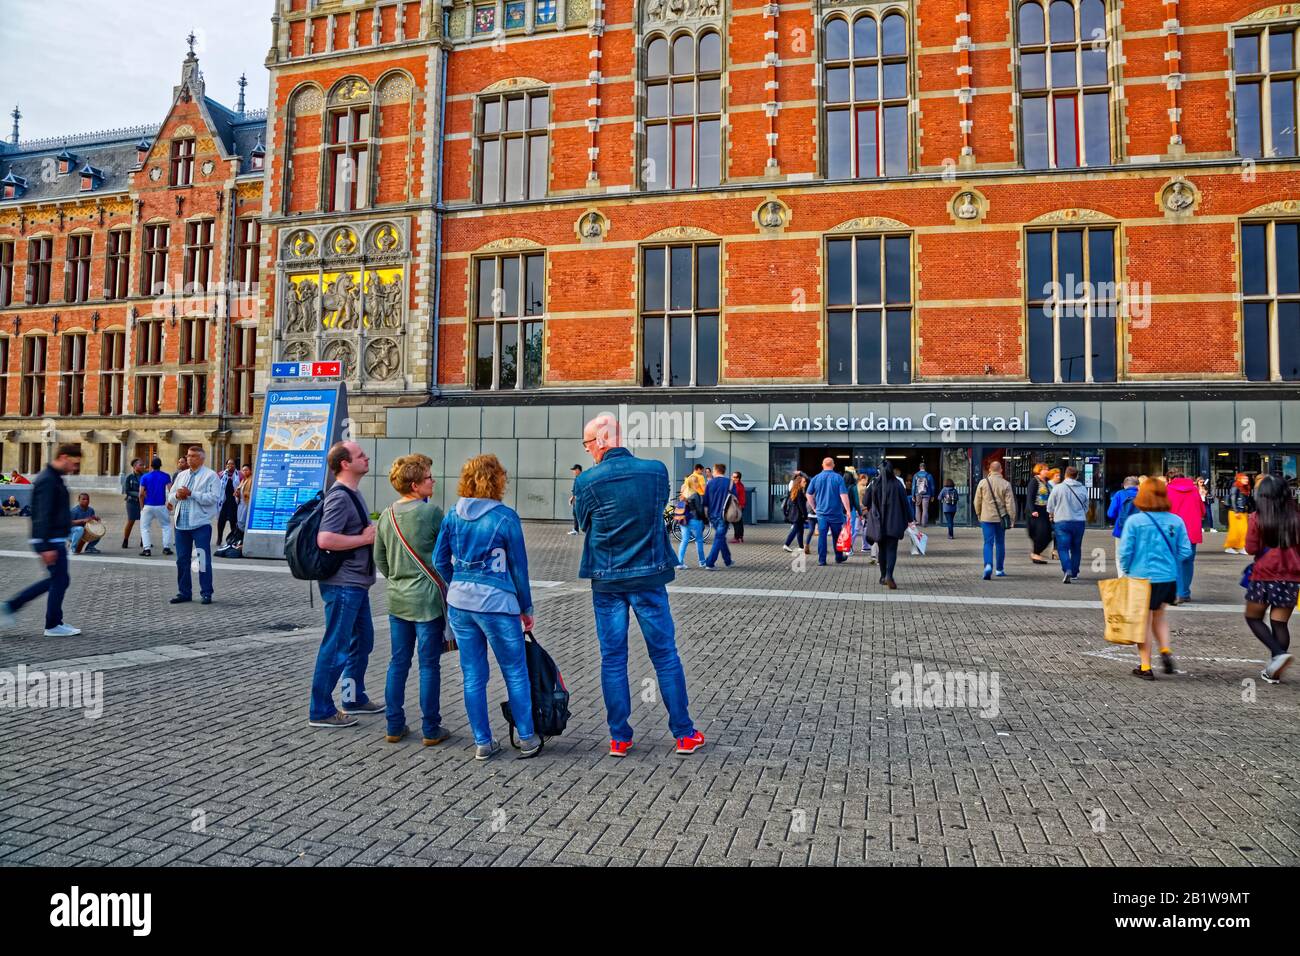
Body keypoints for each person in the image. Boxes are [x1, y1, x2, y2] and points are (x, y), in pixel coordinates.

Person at [575, 413, 703, 757]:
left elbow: (582, 522)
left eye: (588, 443)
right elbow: (657, 511)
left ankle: (620, 737)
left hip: (607, 580)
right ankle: (684, 733)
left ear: (602, 439)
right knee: (665, 654)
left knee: (613, 658)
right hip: (648, 576)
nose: (588, 450)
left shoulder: (587, 481)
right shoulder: (656, 471)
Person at [434, 454, 540, 759]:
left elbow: (439, 560)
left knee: (473, 674)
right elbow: (519, 568)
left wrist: (457, 582)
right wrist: (526, 607)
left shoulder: (453, 514)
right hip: (497, 604)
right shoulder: (505, 517)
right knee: (515, 672)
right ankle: (527, 738)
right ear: (497, 480)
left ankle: (483, 741)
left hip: (460, 605)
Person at [374, 454, 452, 746]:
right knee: (429, 665)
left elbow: (379, 559)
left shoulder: (386, 515)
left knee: (398, 662)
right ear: (416, 484)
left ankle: (394, 725)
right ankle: (431, 729)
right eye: (429, 477)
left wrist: (398, 578)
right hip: (427, 600)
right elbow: (445, 554)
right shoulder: (432, 514)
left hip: (398, 600)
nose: (434, 481)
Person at [308, 441, 383, 730]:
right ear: (345, 464)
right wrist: (365, 539)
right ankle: (321, 709)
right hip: (342, 584)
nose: (366, 458)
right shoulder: (340, 497)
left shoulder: (353, 493)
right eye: (360, 455)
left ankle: (353, 697)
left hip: (356, 583)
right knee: (337, 645)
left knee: (362, 641)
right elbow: (325, 539)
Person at [1, 445, 82, 637]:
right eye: (74, 463)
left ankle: (18, 608)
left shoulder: (53, 478)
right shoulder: (48, 480)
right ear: (63, 457)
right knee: (59, 579)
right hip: (49, 539)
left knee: (59, 579)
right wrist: (45, 546)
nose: (75, 468)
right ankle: (51, 624)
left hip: (53, 537)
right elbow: (42, 513)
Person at [1117, 477, 1192, 681]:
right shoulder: (1176, 521)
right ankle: (1165, 650)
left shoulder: (1135, 521)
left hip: (1140, 577)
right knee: (1159, 616)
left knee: (1143, 622)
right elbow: (1185, 551)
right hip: (1167, 578)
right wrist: (1169, 561)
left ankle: (1145, 666)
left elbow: (1125, 552)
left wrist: (1125, 569)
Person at [1243, 474, 1300, 683]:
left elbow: (1251, 548)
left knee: (1253, 617)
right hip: (1291, 577)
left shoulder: (1257, 518)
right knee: (1279, 623)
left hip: (1264, 576)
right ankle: (1275, 669)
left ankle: (1278, 655)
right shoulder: (1297, 518)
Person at [167, 446, 221, 605]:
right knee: (182, 560)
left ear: (202, 458)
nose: (189, 459)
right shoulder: (181, 475)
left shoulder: (210, 476)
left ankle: (206, 592)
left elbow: (213, 498)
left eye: (193, 456)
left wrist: (191, 494)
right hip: (181, 524)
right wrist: (177, 495)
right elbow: (171, 496)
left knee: (202, 560)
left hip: (200, 524)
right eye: (188, 456)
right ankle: (184, 592)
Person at [864, 456, 911, 588]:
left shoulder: (874, 484)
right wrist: (910, 520)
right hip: (894, 523)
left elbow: (865, 502)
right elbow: (905, 504)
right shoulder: (898, 485)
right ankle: (889, 575)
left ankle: (883, 576)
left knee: (882, 550)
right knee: (891, 550)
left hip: (879, 524)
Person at [1165, 467, 1204, 604]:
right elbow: (1202, 510)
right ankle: (1185, 592)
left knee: (1174, 561)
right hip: (1191, 530)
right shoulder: (1194, 490)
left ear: (1169, 479)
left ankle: (1178, 592)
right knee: (1188, 561)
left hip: (1172, 531)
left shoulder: (1167, 490)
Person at [974, 461, 1017, 580]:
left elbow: (977, 501)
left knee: (988, 543)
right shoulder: (1006, 484)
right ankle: (999, 569)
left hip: (986, 518)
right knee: (1000, 543)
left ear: (990, 470)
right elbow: (1010, 503)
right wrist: (1012, 518)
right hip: (1001, 518)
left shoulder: (983, 483)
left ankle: (988, 565)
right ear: (1001, 470)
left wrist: (978, 514)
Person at [1047, 465, 1088, 584]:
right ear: (1077, 476)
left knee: (1063, 548)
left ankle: (1067, 569)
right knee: (1076, 548)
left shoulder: (1058, 488)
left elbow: (1050, 506)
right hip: (1079, 522)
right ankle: (1074, 573)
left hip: (1062, 521)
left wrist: (1052, 514)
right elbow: (1086, 506)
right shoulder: (1083, 489)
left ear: (1065, 475)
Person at [806, 457, 850, 567]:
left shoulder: (816, 478)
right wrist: (848, 510)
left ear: (822, 465)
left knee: (822, 536)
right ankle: (838, 558)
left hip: (821, 514)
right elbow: (843, 495)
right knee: (836, 536)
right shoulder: (838, 478)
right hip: (835, 513)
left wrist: (814, 507)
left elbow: (809, 495)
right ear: (833, 465)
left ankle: (822, 560)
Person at [138, 457, 174, 556]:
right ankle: (166, 548)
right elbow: (171, 491)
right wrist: (170, 503)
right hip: (161, 505)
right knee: (166, 526)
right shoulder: (166, 476)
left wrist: (142, 507)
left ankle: (147, 549)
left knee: (145, 527)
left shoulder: (145, 477)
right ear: (160, 465)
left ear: (151, 465)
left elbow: (141, 494)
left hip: (148, 505)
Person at [703, 463, 735, 569]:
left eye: (713, 469)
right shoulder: (730, 483)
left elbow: (705, 501)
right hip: (724, 515)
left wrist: (706, 515)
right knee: (719, 538)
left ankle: (728, 560)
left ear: (716, 470)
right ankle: (710, 563)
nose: (712, 471)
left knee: (720, 537)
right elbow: (735, 498)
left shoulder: (710, 483)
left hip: (712, 515)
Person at [1108, 476, 1140, 575]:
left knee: (1120, 555)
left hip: (1121, 530)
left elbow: (1110, 513)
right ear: (1137, 485)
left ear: (1124, 485)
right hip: (1139, 530)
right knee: (1137, 553)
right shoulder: (1143, 495)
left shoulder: (1119, 494)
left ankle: (1122, 578)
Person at [676, 473, 708, 568]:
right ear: (694, 484)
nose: (698, 483)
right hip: (695, 520)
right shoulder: (695, 495)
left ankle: (680, 563)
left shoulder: (684, 493)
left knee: (684, 540)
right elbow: (699, 509)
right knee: (699, 541)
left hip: (684, 521)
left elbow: (680, 507)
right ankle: (702, 562)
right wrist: (704, 519)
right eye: (697, 482)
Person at [1025, 464, 1053, 563]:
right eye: (1045, 469)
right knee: (1041, 533)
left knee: (1049, 534)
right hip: (1036, 511)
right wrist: (1033, 510)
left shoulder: (1045, 482)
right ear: (1039, 470)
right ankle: (1036, 553)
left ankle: (1036, 553)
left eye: (1047, 469)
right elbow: (1030, 497)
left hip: (1045, 510)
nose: (1047, 471)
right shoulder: (1034, 481)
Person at [1225, 473, 1253, 554]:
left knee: (1242, 530)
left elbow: (1246, 501)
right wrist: (1236, 511)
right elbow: (1233, 499)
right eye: (1244, 479)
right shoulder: (1235, 487)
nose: (1246, 480)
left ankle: (1238, 547)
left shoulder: (1244, 488)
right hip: (1235, 512)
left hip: (1242, 511)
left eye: (1247, 479)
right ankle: (1232, 546)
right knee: (1238, 530)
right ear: (1239, 479)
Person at [120, 458, 145, 549]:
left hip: (143, 502)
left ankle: (144, 541)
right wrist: (139, 494)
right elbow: (127, 491)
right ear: (135, 466)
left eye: (143, 465)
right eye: (140, 465)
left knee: (144, 522)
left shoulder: (145, 476)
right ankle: (125, 540)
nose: (143, 467)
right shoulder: (129, 477)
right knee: (131, 521)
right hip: (132, 502)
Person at [782, 473, 809, 553]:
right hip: (798, 515)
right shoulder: (799, 492)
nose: (805, 483)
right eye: (804, 482)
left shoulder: (795, 491)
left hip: (795, 514)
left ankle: (801, 547)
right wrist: (805, 515)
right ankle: (786, 544)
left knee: (800, 530)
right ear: (799, 483)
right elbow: (801, 506)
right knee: (795, 530)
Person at [235, 464, 254, 546]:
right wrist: (237, 493)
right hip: (241, 503)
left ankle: (244, 539)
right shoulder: (243, 480)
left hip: (247, 503)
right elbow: (239, 490)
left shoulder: (252, 479)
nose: (244, 472)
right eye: (243, 470)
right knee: (239, 522)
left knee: (243, 522)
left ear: (250, 471)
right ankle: (242, 539)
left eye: (246, 470)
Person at [912, 462, 934, 528]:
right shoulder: (929, 475)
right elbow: (932, 486)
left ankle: (918, 521)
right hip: (927, 493)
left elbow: (913, 486)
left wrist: (913, 495)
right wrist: (932, 495)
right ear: (925, 467)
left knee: (917, 506)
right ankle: (924, 523)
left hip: (918, 493)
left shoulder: (916, 475)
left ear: (919, 467)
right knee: (925, 509)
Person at [729, 471, 746, 543]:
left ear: (738, 478)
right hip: (740, 506)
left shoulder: (737, 486)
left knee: (735, 522)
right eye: (732, 476)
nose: (733, 478)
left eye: (735, 477)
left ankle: (736, 537)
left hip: (738, 506)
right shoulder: (739, 485)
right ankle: (740, 537)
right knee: (739, 522)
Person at [567, 464, 583, 534]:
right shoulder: (577, 477)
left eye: (574, 470)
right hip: (576, 499)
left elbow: (580, 489)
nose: (573, 472)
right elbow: (575, 489)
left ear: (578, 470)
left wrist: (575, 497)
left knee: (578, 514)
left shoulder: (581, 478)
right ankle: (576, 529)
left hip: (579, 499)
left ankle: (577, 530)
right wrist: (572, 497)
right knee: (575, 514)